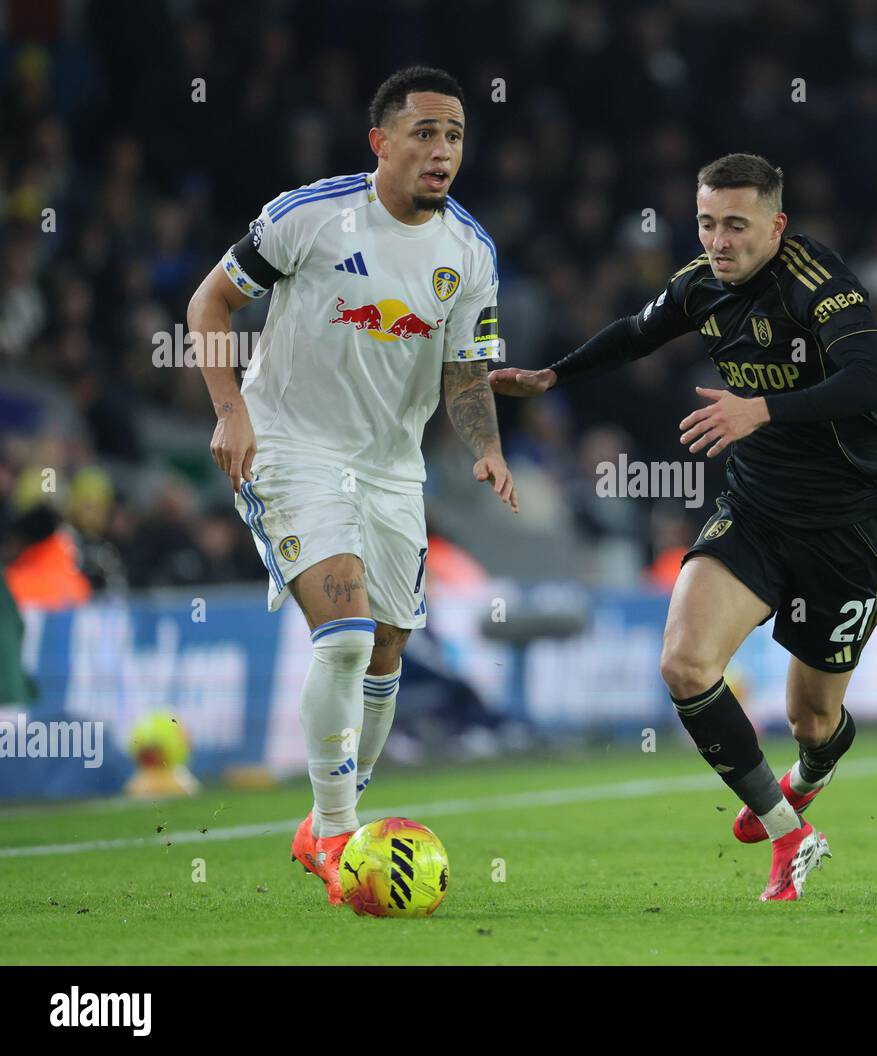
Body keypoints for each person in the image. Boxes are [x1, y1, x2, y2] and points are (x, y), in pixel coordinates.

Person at [490, 153, 877, 901]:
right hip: (754, 511)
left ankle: (811, 773)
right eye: (707, 223)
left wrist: (762, 408)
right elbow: (636, 332)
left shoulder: (818, 283)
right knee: (685, 665)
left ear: (776, 226)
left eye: (737, 226)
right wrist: (555, 374)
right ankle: (789, 834)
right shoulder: (701, 284)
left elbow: (874, 381)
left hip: (846, 526)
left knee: (812, 720)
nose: (719, 241)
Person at [185, 66, 517, 905]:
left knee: (388, 649)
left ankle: (327, 818)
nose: (442, 152)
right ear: (381, 141)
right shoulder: (311, 216)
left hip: (392, 468)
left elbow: (466, 371)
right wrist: (230, 413)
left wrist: (487, 447)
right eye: (425, 133)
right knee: (344, 633)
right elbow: (209, 305)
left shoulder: (470, 254)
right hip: (291, 448)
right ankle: (337, 838)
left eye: (455, 137)